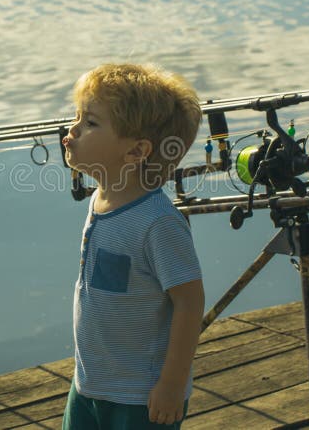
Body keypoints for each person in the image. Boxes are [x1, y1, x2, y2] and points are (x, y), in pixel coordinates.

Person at [60, 63, 205, 429]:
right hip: (90, 385)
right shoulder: (100, 198)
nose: (71, 130)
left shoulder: (158, 222)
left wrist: (171, 385)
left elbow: (189, 302)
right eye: (76, 117)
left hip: (140, 396)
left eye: (90, 122)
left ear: (137, 150)